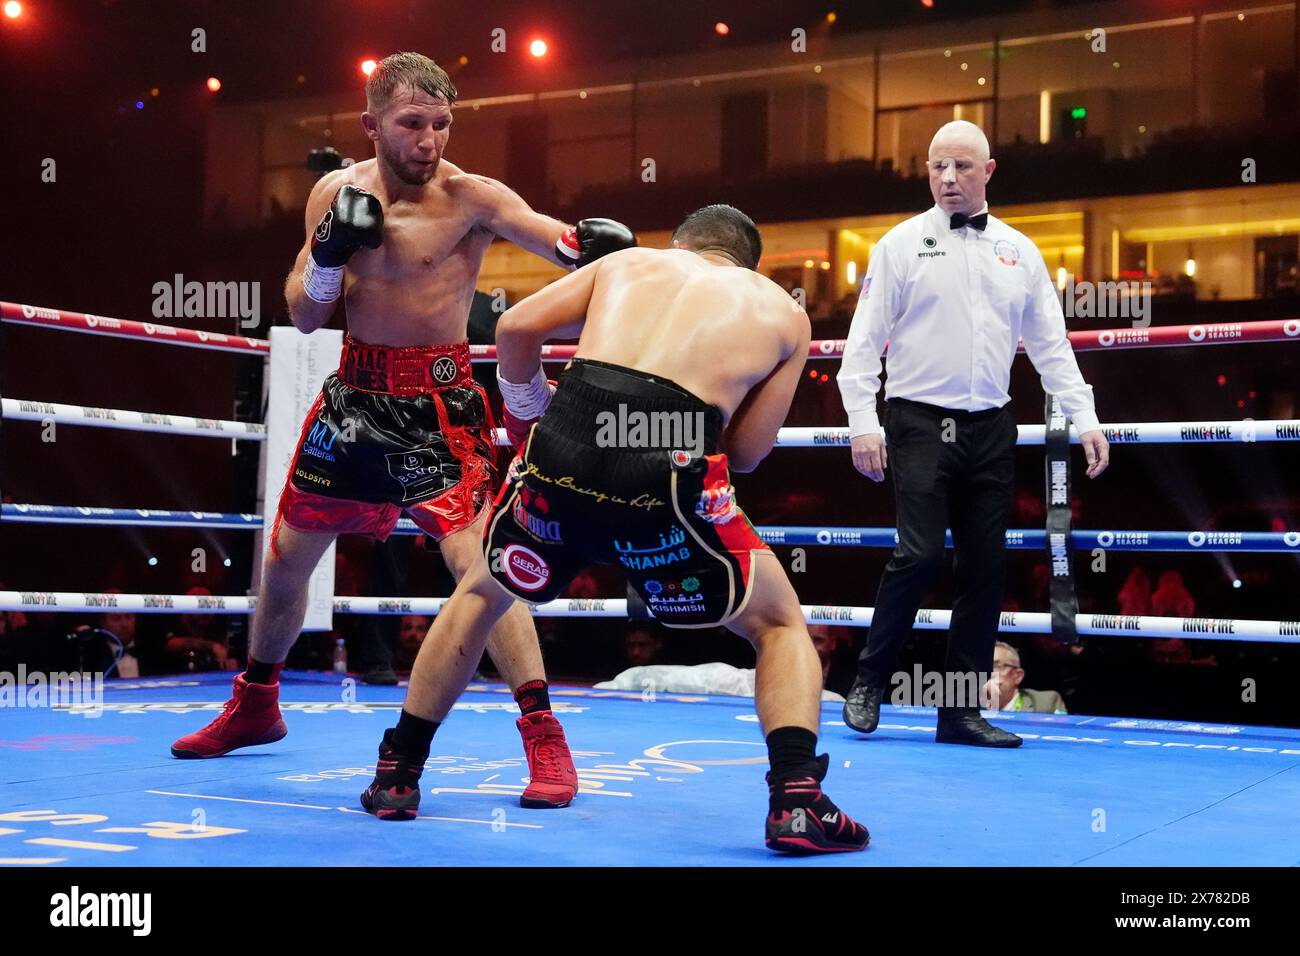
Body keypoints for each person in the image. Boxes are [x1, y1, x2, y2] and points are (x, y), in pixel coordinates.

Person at [170, 53, 636, 813]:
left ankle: (543, 733)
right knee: (287, 559)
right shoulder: (335, 191)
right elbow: (304, 312)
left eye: (441, 124)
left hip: (439, 406)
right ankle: (256, 702)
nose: (429, 140)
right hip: (352, 397)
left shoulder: (473, 197)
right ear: (371, 125)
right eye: (411, 124)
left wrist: (600, 252)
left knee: (487, 571)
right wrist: (327, 253)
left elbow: (561, 243)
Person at [359, 204, 868, 854]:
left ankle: (399, 772)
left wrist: (528, 411)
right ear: (750, 263)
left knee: (483, 594)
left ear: (680, 244)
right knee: (778, 624)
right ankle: (797, 800)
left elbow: (514, 326)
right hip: (674, 453)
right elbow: (747, 453)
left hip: (569, 434)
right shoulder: (783, 312)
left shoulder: (628, 262)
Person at [838, 120, 1110, 747]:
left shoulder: (1019, 250)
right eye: (937, 167)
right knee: (920, 554)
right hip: (918, 420)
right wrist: (862, 421)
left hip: (991, 424)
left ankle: (958, 713)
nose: (948, 178)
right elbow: (861, 346)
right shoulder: (899, 245)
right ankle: (870, 681)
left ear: (988, 172)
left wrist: (1085, 415)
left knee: (986, 569)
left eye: (961, 167)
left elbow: (1049, 345)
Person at [989, 641, 1067, 713]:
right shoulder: (977, 705)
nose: (988, 673)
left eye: (996, 666)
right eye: (983, 667)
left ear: (1018, 676)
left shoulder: (1047, 703)